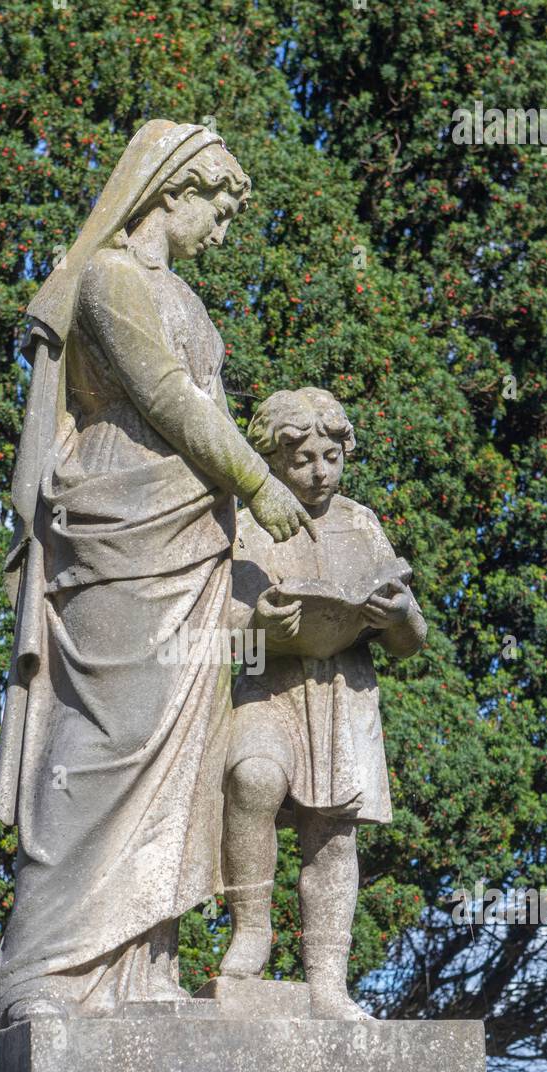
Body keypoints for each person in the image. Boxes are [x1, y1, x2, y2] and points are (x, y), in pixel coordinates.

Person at [0, 121, 314, 1028]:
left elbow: (200, 404)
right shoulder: (107, 280)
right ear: (173, 190)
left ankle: (137, 968)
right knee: (103, 740)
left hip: (191, 538)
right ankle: (44, 973)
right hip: (119, 526)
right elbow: (165, 397)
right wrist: (257, 479)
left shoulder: (195, 304)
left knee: (182, 756)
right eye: (217, 208)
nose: (221, 229)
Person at [221, 387, 427, 1018]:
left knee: (333, 837)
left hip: (343, 690)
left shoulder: (362, 523)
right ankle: (250, 933)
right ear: (273, 461)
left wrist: (397, 615)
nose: (319, 472)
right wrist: (262, 629)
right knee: (252, 779)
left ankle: (328, 982)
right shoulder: (247, 524)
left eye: (330, 458)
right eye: (303, 460)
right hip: (268, 686)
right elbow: (219, 632)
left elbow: (412, 641)